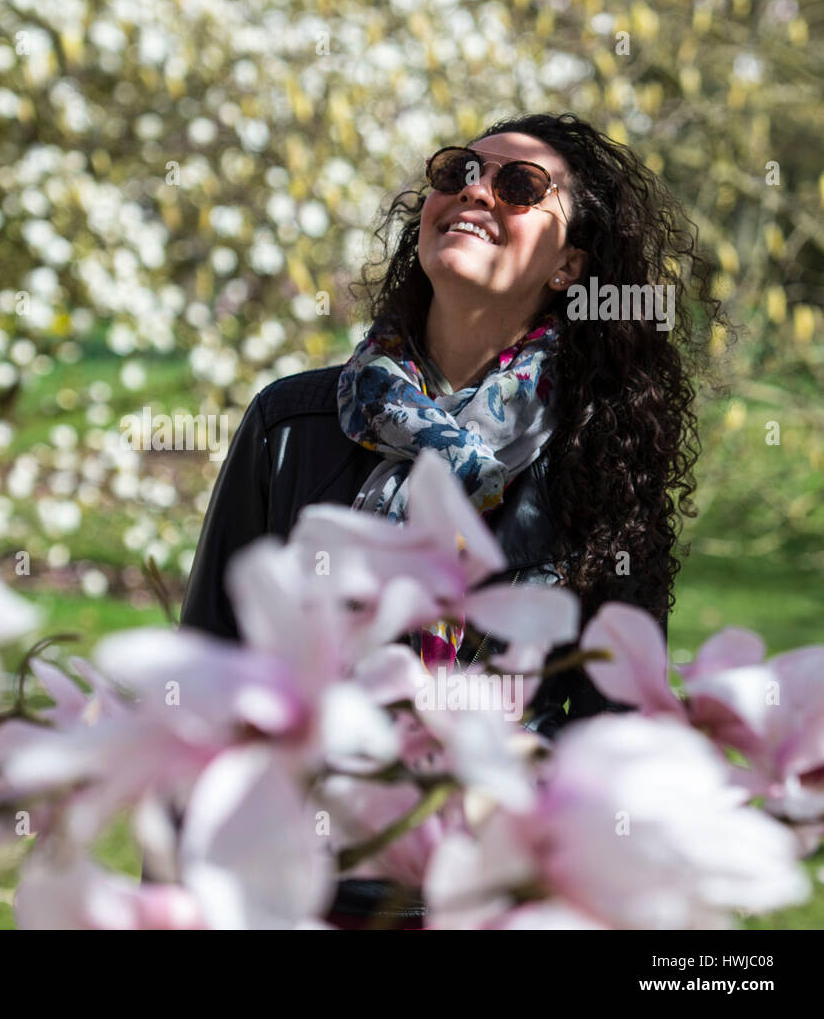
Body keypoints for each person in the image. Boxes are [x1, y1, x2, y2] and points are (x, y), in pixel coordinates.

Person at [178, 112, 728, 928]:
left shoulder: (599, 456)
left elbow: (608, 717)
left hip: (483, 882)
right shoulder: (291, 423)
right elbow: (212, 665)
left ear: (571, 265)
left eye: (519, 187)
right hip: (289, 876)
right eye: (457, 172)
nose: (473, 189)